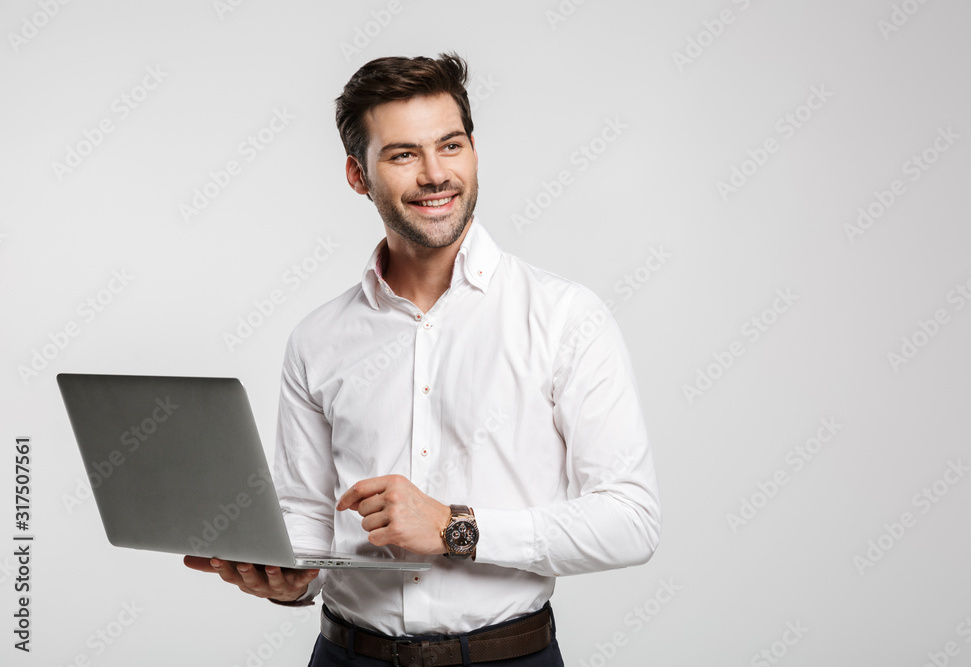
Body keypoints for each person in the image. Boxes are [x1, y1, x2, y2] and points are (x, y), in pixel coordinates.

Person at [185, 52, 660, 666]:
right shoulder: (317, 338)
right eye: (403, 154)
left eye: (451, 145)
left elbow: (631, 520)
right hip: (346, 656)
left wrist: (453, 527)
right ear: (358, 175)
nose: (436, 174)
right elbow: (306, 510)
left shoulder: (567, 317)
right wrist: (287, 577)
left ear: (474, 152)